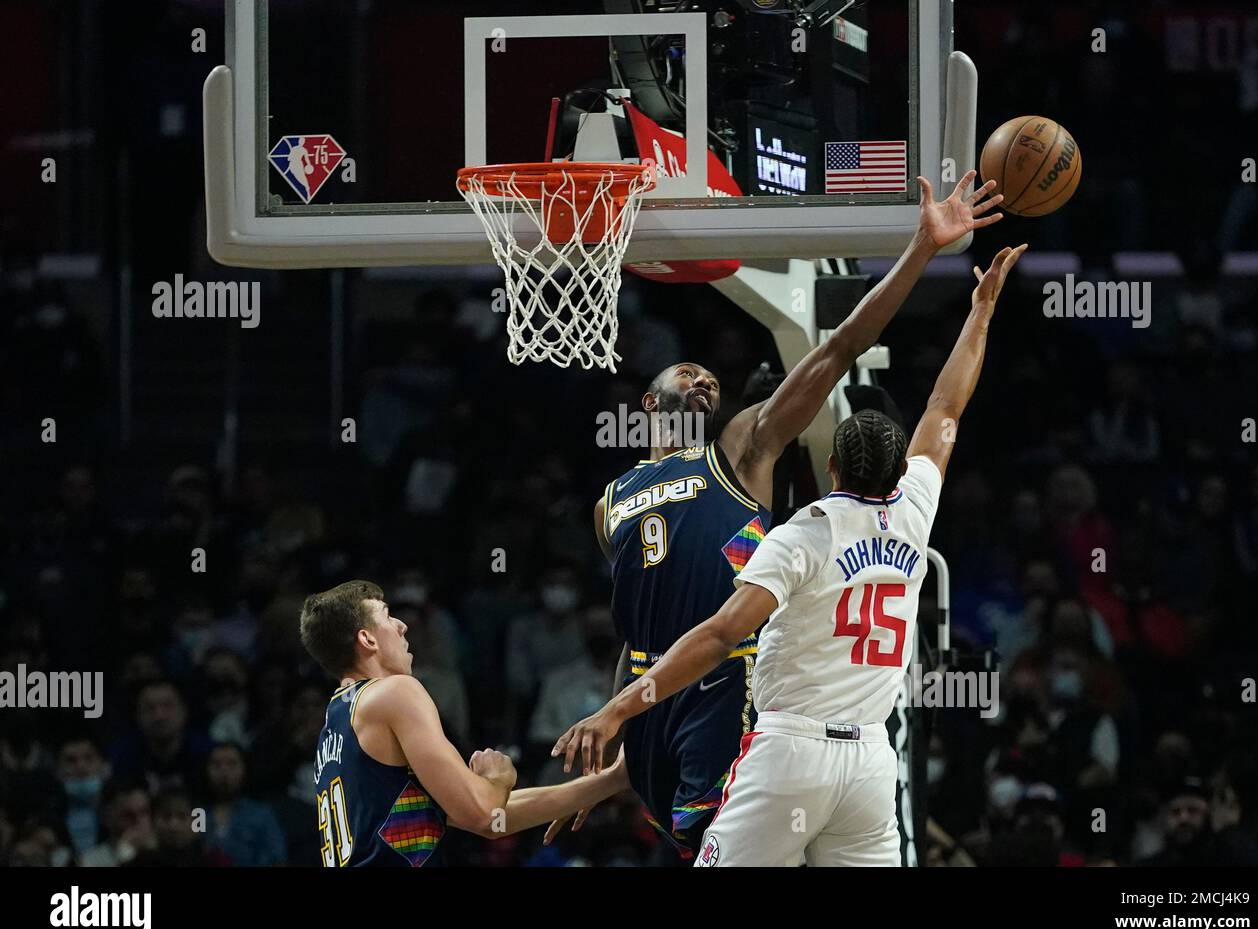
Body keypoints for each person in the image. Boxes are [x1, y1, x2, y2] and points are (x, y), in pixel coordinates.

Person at [566, 172, 1006, 858]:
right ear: (648, 404)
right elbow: (636, 620)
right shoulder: (611, 502)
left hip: (732, 688)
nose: (700, 381)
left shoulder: (743, 450)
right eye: (686, 375)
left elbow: (839, 349)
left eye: (709, 380)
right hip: (663, 693)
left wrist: (921, 249)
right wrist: (619, 724)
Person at [299, 580, 627, 867]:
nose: (402, 626)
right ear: (367, 639)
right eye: (387, 616)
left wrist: (611, 780)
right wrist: (500, 777)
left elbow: (489, 816)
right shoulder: (396, 692)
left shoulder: (336, 719)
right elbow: (483, 813)